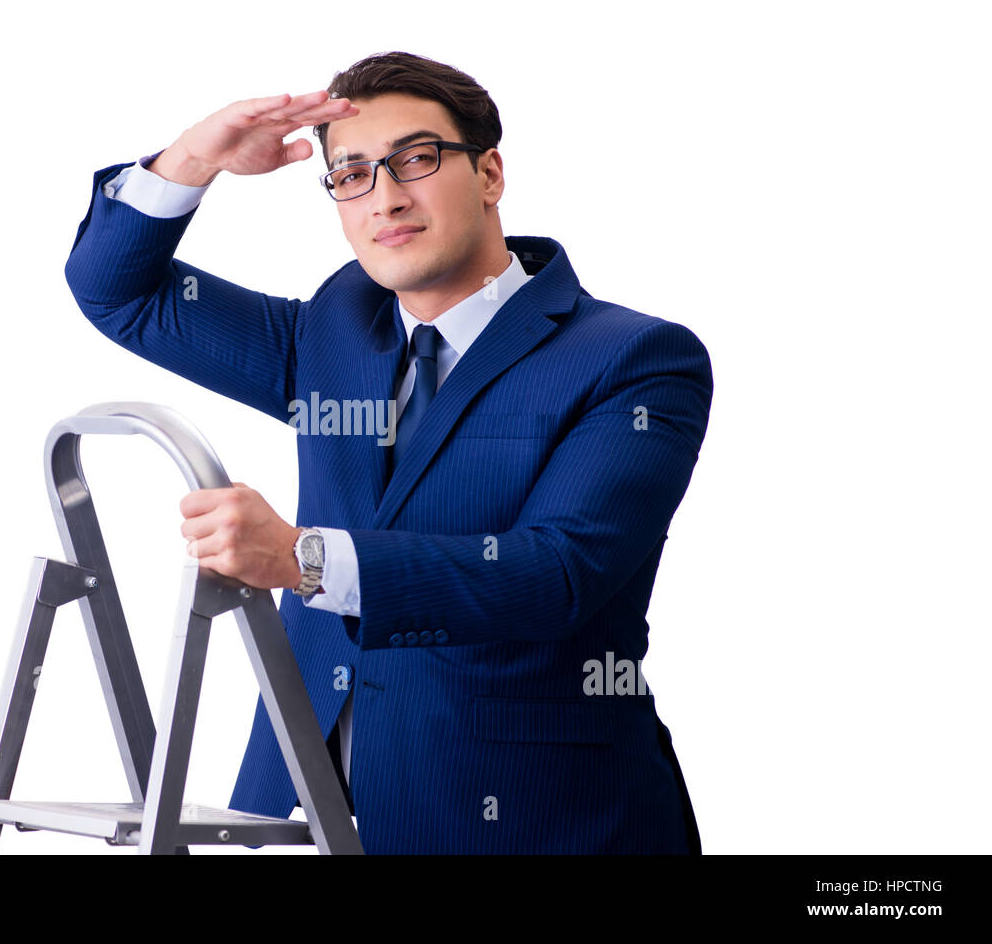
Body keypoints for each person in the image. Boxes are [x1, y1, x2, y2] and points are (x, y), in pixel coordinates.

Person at [63, 51, 712, 854]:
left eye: (416, 158)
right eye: (354, 173)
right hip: (304, 808)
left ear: (490, 174)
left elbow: (559, 574)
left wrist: (302, 558)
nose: (387, 196)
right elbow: (118, 290)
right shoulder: (330, 336)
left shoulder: (634, 358)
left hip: (534, 819)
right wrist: (193, 160)